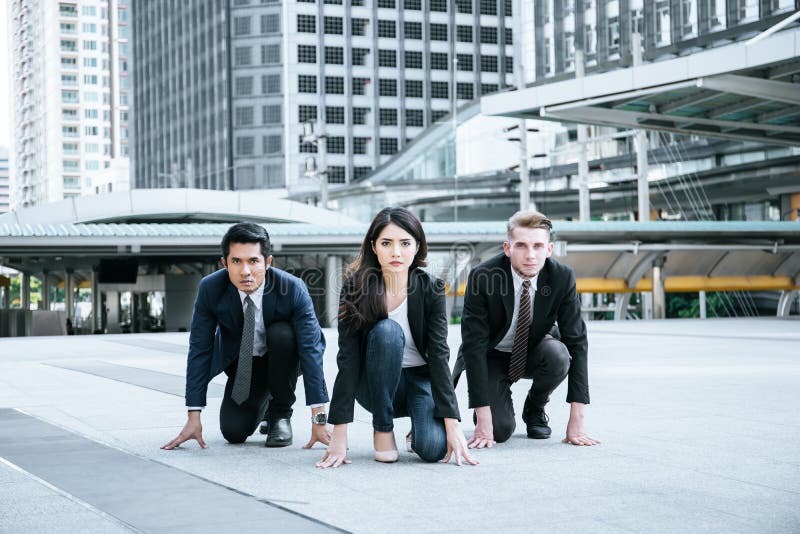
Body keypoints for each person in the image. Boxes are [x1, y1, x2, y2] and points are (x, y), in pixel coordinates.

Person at [317, 208, 477, 467]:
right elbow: (348, 359)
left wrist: (453, 424)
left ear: (417, 247)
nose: (396, 252)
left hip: (419, 380)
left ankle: (419, 425)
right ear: (373, 246)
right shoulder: (356, 287)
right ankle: (383, 428)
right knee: (388, 332)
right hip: (375, 385)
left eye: (405, 243)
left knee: (433, 449)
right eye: (386, 243)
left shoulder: (431, 288)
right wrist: (339, 433)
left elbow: (439, 355)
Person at [162, 223, 330, 450]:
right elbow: (200, 349)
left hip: (286, 357)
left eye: (253, 261)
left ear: (267, 262)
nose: (245, 271)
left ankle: (280, 413)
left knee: (281, 334)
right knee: (233, 432)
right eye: (236, 261)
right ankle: (265, 402)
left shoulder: (292, 288)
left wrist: (319, 420)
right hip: (244, 365)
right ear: (224, 263)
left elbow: (310, 349)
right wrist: (193, 415)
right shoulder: (211, 288)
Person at [453, 210, 600, 448]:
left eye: (538, 246)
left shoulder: (561, 277)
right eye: (521, 245)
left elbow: (577, 342)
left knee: (559, 355)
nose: (530, 255)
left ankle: (535, 406)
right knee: (499, 431)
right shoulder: (483, 276)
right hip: (492, 355)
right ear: (507, 248)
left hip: (534, 351)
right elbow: (474, 345)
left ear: (549, 249)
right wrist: (483, 414)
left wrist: (577, 419)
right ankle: (494, 404)